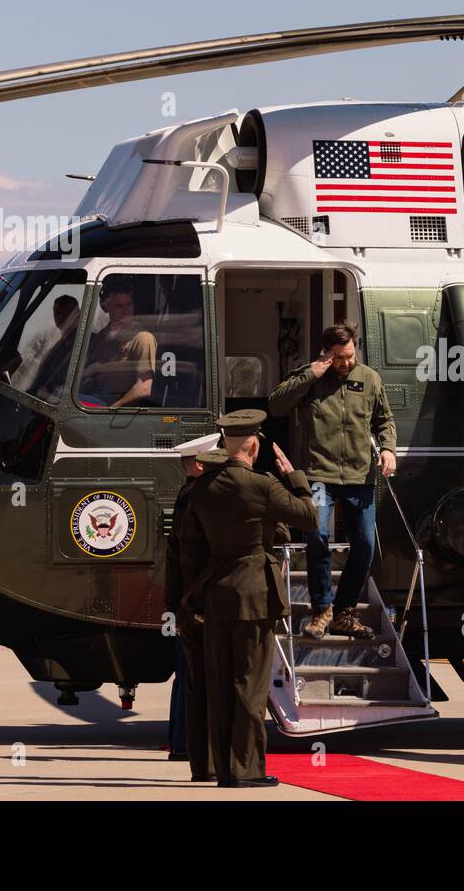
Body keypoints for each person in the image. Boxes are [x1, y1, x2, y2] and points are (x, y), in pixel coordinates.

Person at [178, 409, 319, 788]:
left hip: (216, 595)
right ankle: (246, 769)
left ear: (226, 444)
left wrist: (189, 600)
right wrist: (294, 477)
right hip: (255, 595)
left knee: (219, 683)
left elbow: (190, 548)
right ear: (254, 445)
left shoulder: (203, 488)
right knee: (250, 685)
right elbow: (309, 516)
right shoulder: (262, 485)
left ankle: (219, 768)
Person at [268, 323, 396, 640]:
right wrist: (312, 373)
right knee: (317, 537)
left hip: (359, 476)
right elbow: (276, 405)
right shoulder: (310, 377)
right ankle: (321, 609)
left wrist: (389, 449)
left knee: (365, 545)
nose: (346, 363)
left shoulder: (370, 379)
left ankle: (344, 612)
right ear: (326, 353)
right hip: (319, 475)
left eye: (350, 355)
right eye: (338, 357)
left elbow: (384, 419)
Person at [163, 432, 221, 778]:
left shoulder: (186, 495)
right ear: (200, 464)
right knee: (192, 673)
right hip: (194, 600)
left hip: (184, 599)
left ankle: (180, 741)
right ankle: (184, 742)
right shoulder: (194, 497)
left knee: (186, 673)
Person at [79, 277, 158, 407]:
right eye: (119, 306)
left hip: (113, 409)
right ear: (106, 307)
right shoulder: (99, 339)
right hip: (94, 400)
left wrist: (110, 411)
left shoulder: (142, 338)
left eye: (129, 304)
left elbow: (143, 388)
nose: (126, 311)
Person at [28, 294, 81, 402]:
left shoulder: (85, 344)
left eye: (66, 312)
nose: (60, 316)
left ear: (78, 314)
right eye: (57, 312)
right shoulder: (56, 348)